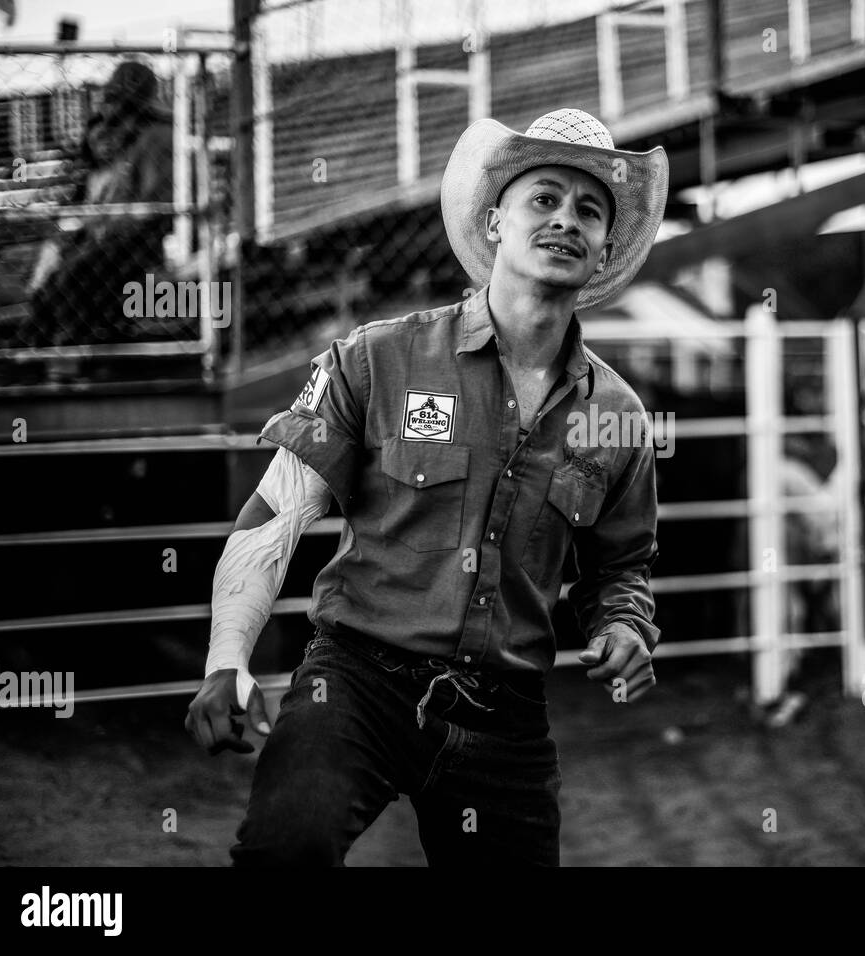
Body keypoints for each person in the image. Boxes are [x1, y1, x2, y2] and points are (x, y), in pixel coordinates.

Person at [185, 108, 669, 866]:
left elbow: (621, 567)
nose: (566, 221)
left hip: (504, 714)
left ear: (604, 245)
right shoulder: (377, 360)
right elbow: (274, 512)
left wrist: (624, 627)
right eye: (543, 198)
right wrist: (227, 662)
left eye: (588, 210)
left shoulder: (616, 417)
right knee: (286, 850)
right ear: (494, 220)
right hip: (354, 685)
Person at [28, 59, 174, 346]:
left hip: (137, 238)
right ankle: (43, 348)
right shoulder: (113, 148)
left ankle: (76, 349)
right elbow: (79, 208)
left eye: (120, 104)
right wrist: (61, 240)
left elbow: (149, 209)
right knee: (48, 284)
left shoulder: (153, 137)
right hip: (108, 232)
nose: (103, 141)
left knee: (73, 274)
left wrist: (98, 228)